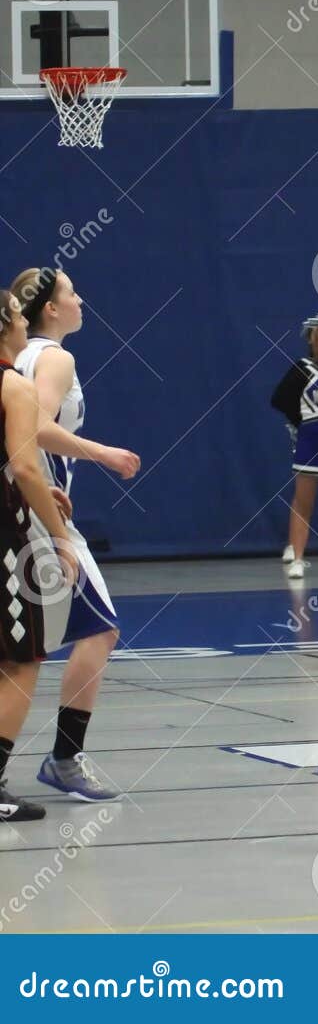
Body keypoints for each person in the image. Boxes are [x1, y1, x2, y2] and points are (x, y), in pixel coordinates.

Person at [11, 267, 140, 803]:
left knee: (24, 646)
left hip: (21, 511)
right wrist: (102, 453)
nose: (80, 298)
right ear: (50, 309)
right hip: (41, 515)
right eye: (70, 292)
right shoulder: (55, 357)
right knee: (100, 629)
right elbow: (36, 428)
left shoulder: (17, 357)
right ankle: (64, 758)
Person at [0, 286, 78, 821]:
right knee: (21, 659)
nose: (23, 321)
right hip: (6, 537)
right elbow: (27, 466)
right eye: (15, 314)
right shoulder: (14, 384)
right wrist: (61, 538)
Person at [271, 314, 318, 580]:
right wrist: (302, 422)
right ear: (314, 344)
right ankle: (298, 558)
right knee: (304, 502)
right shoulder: (302, 369)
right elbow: (279, 399)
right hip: (310, 444)